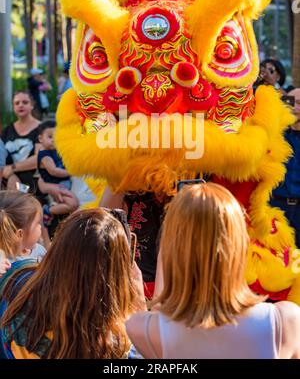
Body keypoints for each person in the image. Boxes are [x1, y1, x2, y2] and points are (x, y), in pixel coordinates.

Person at [126, 182, 300, 359]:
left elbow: (160, 324)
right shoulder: (284, 322)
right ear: (242, 243)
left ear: (172, 248)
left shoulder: (143, 329)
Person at [0, 208, 146, 359]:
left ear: (58, 247)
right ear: (116, 277)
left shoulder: (16, 278)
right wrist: (140, 310)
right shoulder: (116, 345)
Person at [270, 88, 300, 248]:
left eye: (299, 103)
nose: (295, 107)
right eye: (291, 102)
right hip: (276, 205)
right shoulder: (277, 134)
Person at [37, 120, 79, 225]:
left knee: (73, 209)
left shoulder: (56, 151)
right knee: (73, 204)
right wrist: (71, 172)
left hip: (63, 184)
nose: (54, 140)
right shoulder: (44, 154)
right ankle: (46, 211)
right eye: (50, 137)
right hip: (58, 185)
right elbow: (53, 171)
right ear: (40, 139)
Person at [1, 91, 40, 193]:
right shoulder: (7, 130)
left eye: (25, 102)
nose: (20, 105)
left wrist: (13, 168)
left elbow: (40, 158)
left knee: (20, 193)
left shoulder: (42, 129)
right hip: (8, 179)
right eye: (17, 103)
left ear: (32, 105)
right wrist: (11, 175)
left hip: (34, 183)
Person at [0, 190, 45, 268]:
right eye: (37, 223)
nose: (40, 227)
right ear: (20, 234)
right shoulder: (6, 267)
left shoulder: (40, 251)